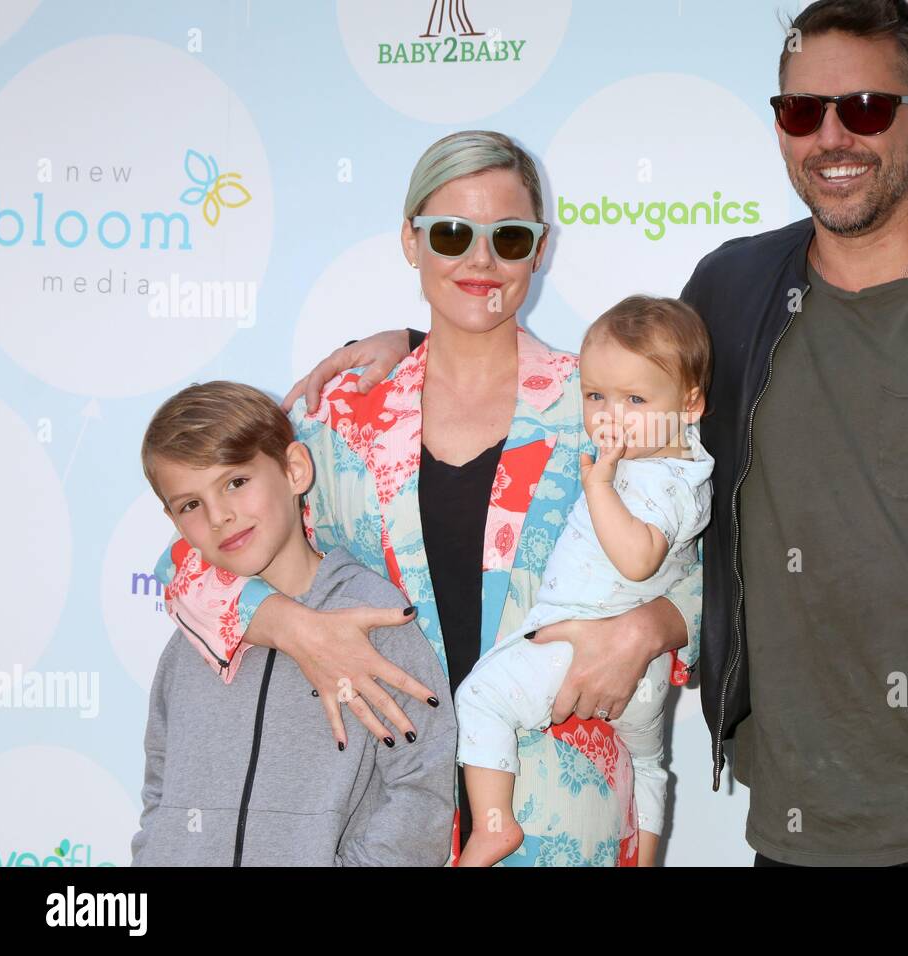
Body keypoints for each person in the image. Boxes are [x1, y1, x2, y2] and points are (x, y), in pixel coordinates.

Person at [323, 0, 908, 867]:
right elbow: (630, 388)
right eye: (803, 111)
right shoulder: (731, 292)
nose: (832, 136)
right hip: (796, 823)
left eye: (867, 108)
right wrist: (416, 344)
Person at [153, 131, 703, 867]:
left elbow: (707, 571)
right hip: (374, 817)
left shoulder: (604, 407)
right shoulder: (340, 417)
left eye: (509, 237)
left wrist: (647, 629)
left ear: (539, 250)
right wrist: (292, 627)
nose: (481, 261)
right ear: (411, 242)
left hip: (564, 814)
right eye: (451, 234)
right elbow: (189, 561)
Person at [132, 382, 455, 866]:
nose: (219, 516)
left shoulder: (372, 615)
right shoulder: (189, 644)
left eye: (235, 482)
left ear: (294, 470)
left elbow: (421, 786)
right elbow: (161, 786)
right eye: (191, 505)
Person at [455, 296, 713, 866]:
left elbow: (640, 558)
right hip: (635, 682)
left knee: (481, 696)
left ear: (690, 403)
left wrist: (598, 487)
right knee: (648, 763)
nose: (609, 416)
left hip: (581, 652)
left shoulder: (660, 481)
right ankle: (645, 856)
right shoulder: (672, 461)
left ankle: (492, 826)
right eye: (596, 395)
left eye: (635, 400)